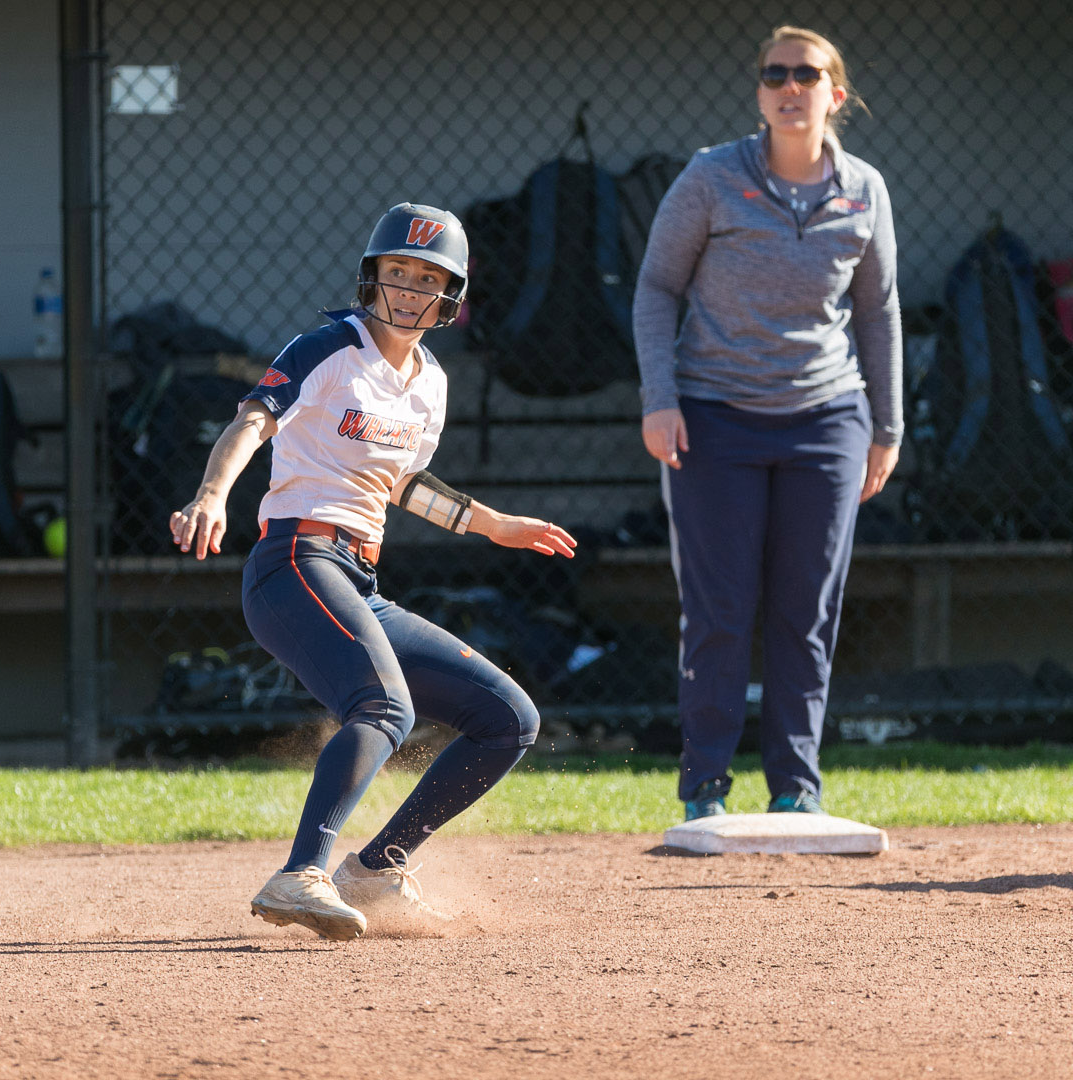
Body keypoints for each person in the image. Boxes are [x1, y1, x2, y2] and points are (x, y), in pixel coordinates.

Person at [169, 203, 578, 940]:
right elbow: (253, 420)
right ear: (371, 277)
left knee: (508, 719)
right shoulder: (329, 347)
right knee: (385, 709)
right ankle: (301, 874)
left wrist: (493, 525)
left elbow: (402, 484)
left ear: (450, 295)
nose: (410, 289)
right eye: (397, 271)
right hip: (295, 560)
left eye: (428, 278)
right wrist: (211, 494)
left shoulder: (429, 383)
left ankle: (377, 869)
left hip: (358, 576)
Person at [632, 26, 901, 821]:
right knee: (720, 608)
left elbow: (878, 312)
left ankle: (796, 788)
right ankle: (704, 788)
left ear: (834, 94)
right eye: (774, 74)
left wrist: (887, 428)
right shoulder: (711, 178)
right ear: (759, 92)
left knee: (805, 609)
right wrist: (659, 398)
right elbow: (655, 288)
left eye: (805, 75)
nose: (789, 86)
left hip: (827, 420)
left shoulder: (865, 190)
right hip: (713, 419)